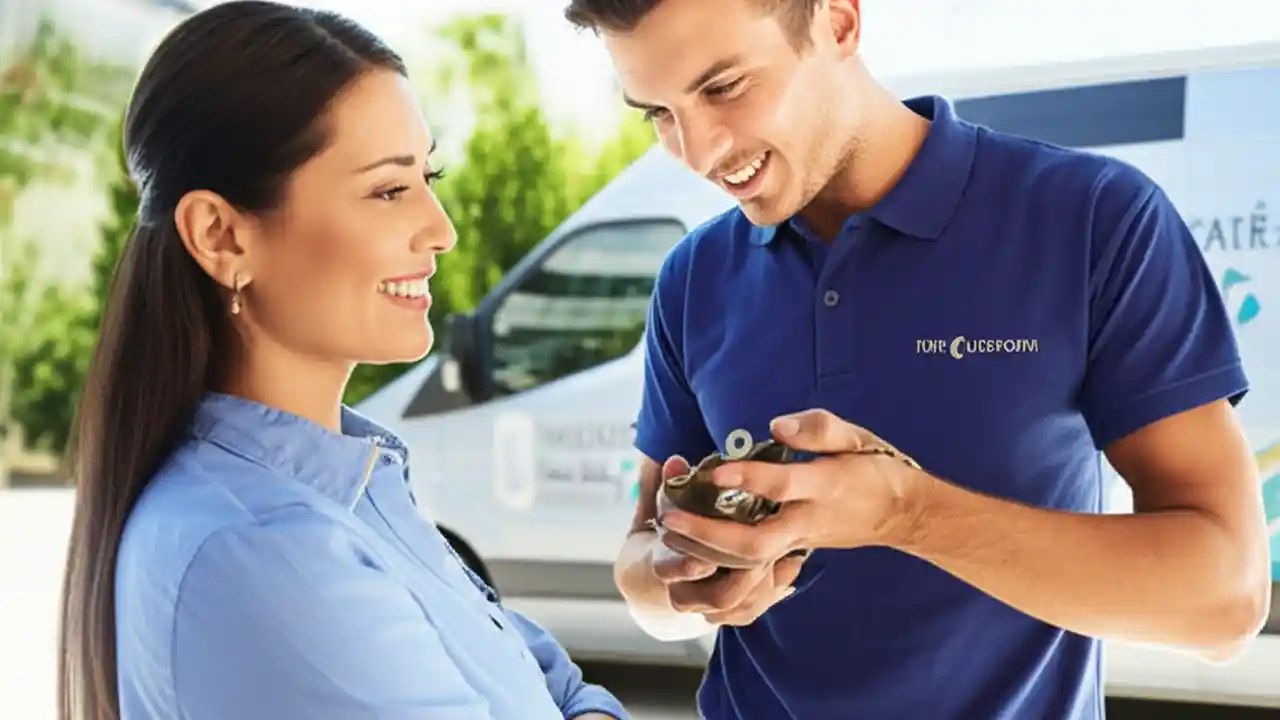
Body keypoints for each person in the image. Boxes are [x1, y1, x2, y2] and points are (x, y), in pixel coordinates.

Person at [562, 0, 1273, 718]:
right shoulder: (694, 279)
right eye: (656, 112)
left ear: (838, 22)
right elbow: (642, 567)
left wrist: (906, 513)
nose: (700, 150)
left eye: (723, 88)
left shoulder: (1093, 220)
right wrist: (678, 579)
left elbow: (1225, 601)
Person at [55, 3, 628, 719]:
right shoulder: (263, 552)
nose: (440, 230)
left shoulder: (349, 488)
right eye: (390, 190)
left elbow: (565, 687)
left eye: (430, 177)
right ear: (221, 236)